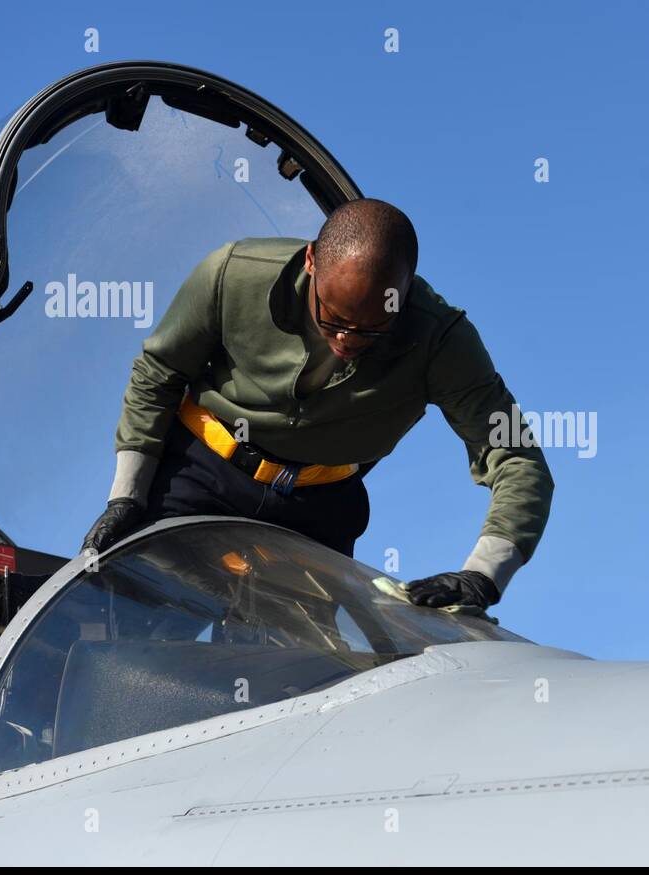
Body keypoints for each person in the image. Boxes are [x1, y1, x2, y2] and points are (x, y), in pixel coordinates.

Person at [80, 199, 552, 608]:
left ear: (404, 295)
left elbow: (517, 457)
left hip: (319, 510)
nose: (347, 340)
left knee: (297, 672)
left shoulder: (442, 342)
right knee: (132, 614)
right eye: (334, 318)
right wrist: (126, 497)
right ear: (311, 261)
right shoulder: (232, 274)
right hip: (199, 472)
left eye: (371, 328)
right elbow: (158, 373)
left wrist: (484, 576)